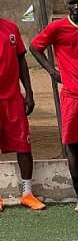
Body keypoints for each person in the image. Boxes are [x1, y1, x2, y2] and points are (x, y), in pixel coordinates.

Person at [30, 0, 78, 212]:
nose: (76, 7)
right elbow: (34, 47)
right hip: (73, 97)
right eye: (72, 3)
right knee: (73, 146)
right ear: (66, 5)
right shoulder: (57, 28)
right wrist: (52, 71)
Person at [0, 15, 45, 211]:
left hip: (13, 99)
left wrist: (29, 92)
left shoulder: (11, 28)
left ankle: (27, 193)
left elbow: (21, 61)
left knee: (24, 147)